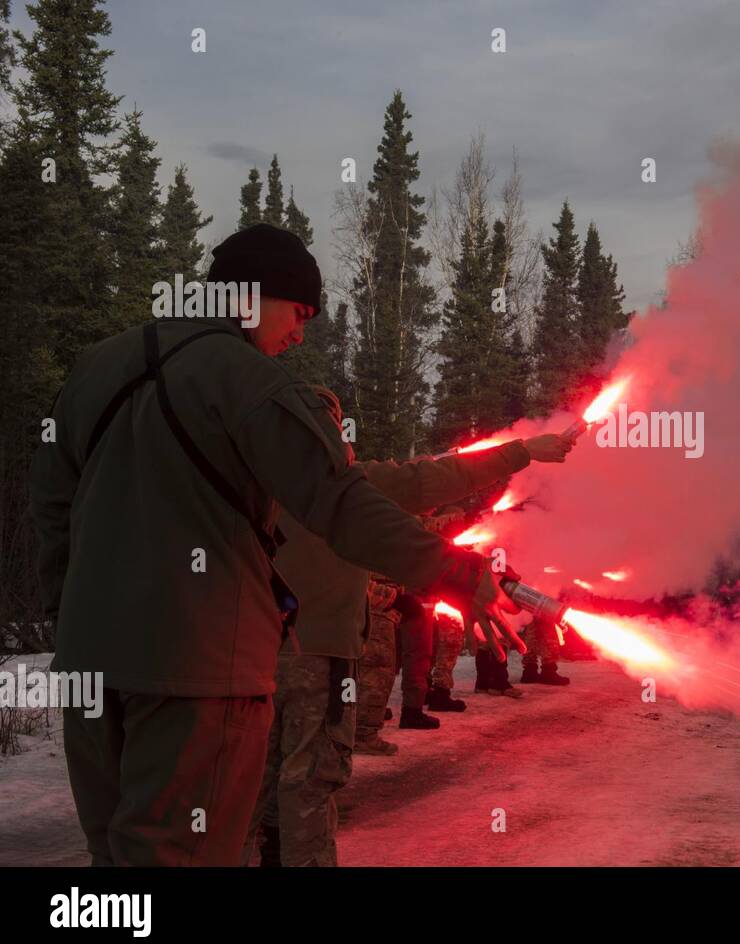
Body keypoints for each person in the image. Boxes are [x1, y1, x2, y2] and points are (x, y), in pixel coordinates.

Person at [30, 223, 522, 866]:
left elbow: (53, 510)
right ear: (254, 295)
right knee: (182, 855)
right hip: (199, 669)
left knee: (116, 863)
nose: (300, 333)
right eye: (298, 312)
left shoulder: (98, 366)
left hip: (89, 667)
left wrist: (68, 615)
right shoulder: (252, 384)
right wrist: (457, 571)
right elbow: (340, 502)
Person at [246, 385, 573, 865]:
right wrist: (524, 451)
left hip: (248, 658)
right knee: (311, 781)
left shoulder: (246, 485)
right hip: (318, 656)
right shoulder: (344, 485)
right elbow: (431, 479)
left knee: (251, 782)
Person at [520, 620, 571, 686]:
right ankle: (548, 672)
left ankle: (530, 672)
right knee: (547, 630)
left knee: (531, 628)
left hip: (529, 611)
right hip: (542, 611)